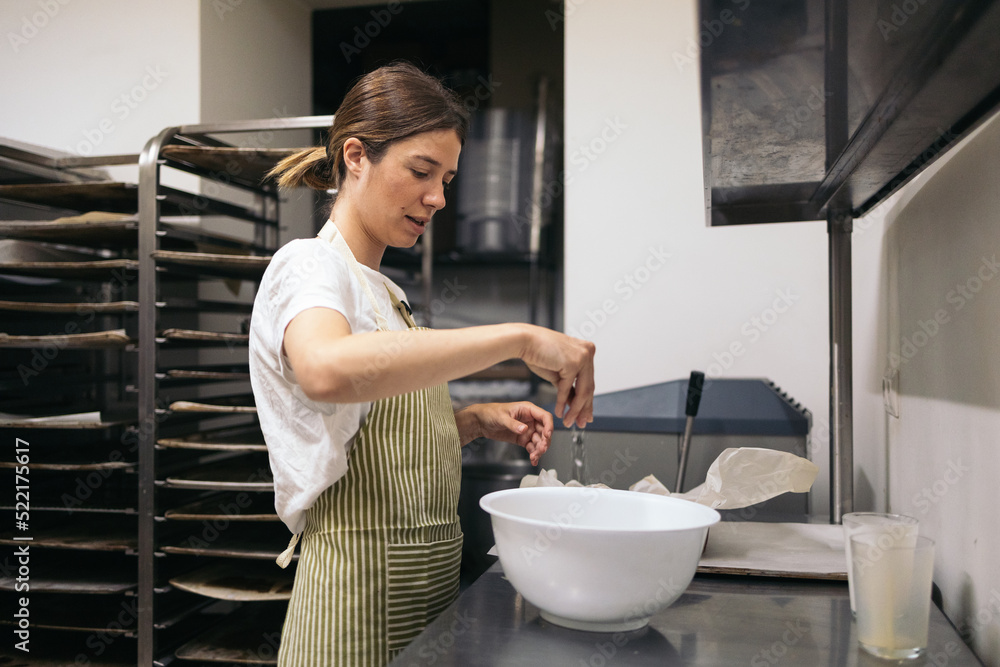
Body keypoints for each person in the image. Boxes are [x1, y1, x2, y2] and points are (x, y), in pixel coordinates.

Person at [249, 61, 595, 666]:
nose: (437, 198)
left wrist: (469, 422)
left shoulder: (386, 293)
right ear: (356, 157)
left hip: (427, 598)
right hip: (354, 606)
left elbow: (362, 432)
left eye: (448, 179)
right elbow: (327, 370)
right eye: (420, 171)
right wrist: (518, 337)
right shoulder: (308, 265)